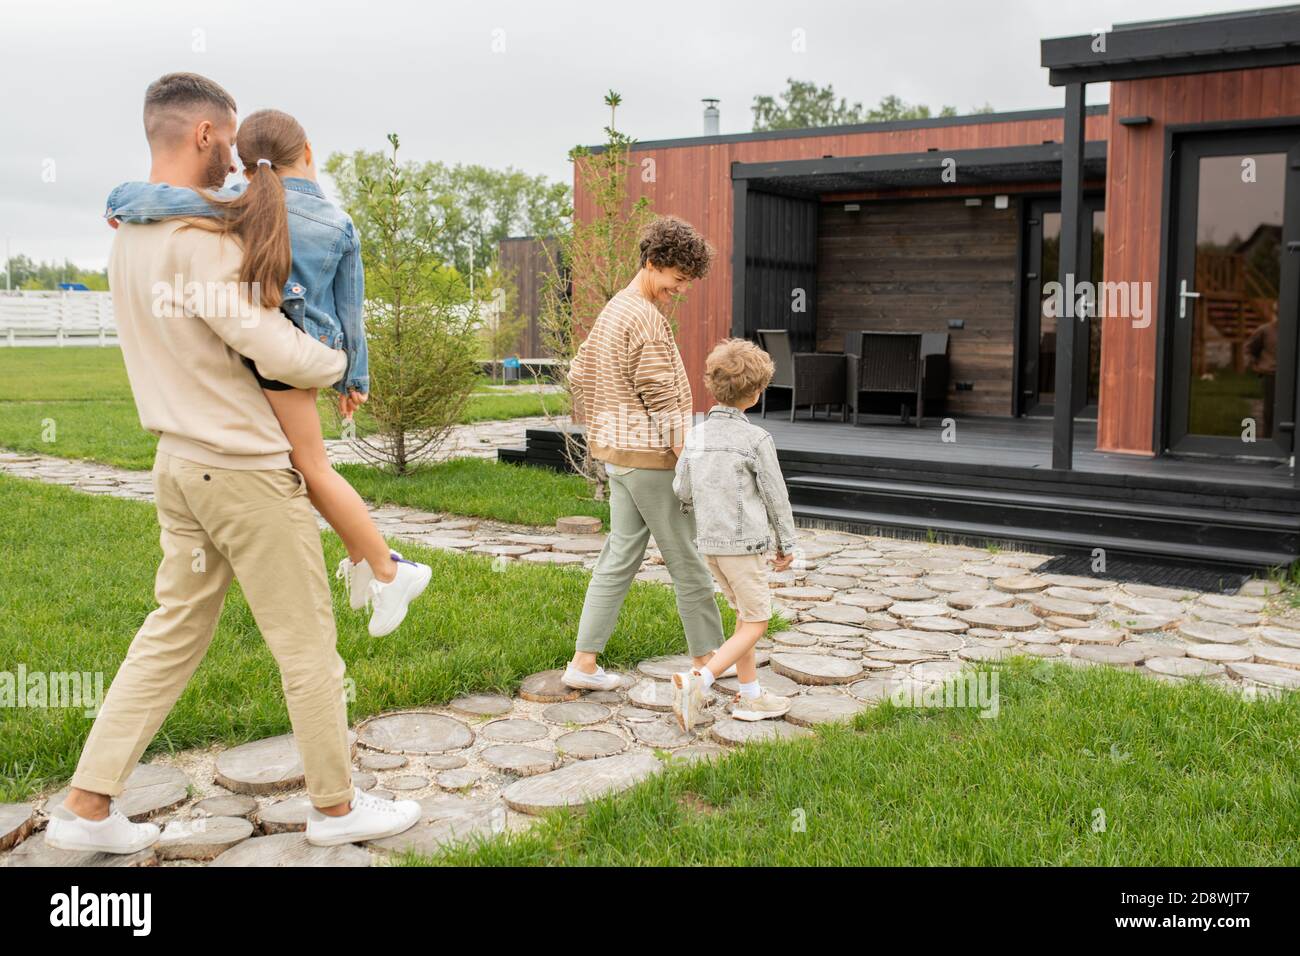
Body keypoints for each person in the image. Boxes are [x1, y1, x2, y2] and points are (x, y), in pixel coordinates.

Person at [45, 73, 420, 854]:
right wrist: (336, 360)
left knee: (170, 632)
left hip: (178, 466)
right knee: (308, 644)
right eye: (230, 141)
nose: (239, 164)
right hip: (242, 470)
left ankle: (85, 807)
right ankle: (336, 810)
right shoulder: (197, 245)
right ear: (206, 135)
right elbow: (272, 346)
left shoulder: (131, 235)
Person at [104, 108, 430, 638]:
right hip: (313, 345)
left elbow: (169, 200)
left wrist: (120, 200)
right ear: (308, 153)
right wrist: (356, 379)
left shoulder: (238, 202)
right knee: (307, 466)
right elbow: (353, 309)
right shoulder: (338, 223)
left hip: (280, 355)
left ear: (248, 167)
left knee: (313, 467)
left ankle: (393, 571)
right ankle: (364, 560)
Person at [561, 216, 731, 691]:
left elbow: (579, 373)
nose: (681, 290)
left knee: (619, 556)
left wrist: (608, 417)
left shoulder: (615, 308)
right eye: (678, 280)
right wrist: (687, 456)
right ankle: (711, 659)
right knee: (688, 559)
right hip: (652, 461)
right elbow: (659, 395)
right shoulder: (645, 318)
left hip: (618, 457)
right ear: (654, 264)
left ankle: (584, 664)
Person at [671, 338, 797, 729]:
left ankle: (750, 695)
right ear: (756, 394)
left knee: (744, 618)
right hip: (745, 546)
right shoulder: (756, 439)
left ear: (712, 384)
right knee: (758, 621)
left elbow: (681, 489)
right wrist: (787, 543)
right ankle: (699, 681)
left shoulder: (697, 435)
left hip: (710, 544)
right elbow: (776, 496)